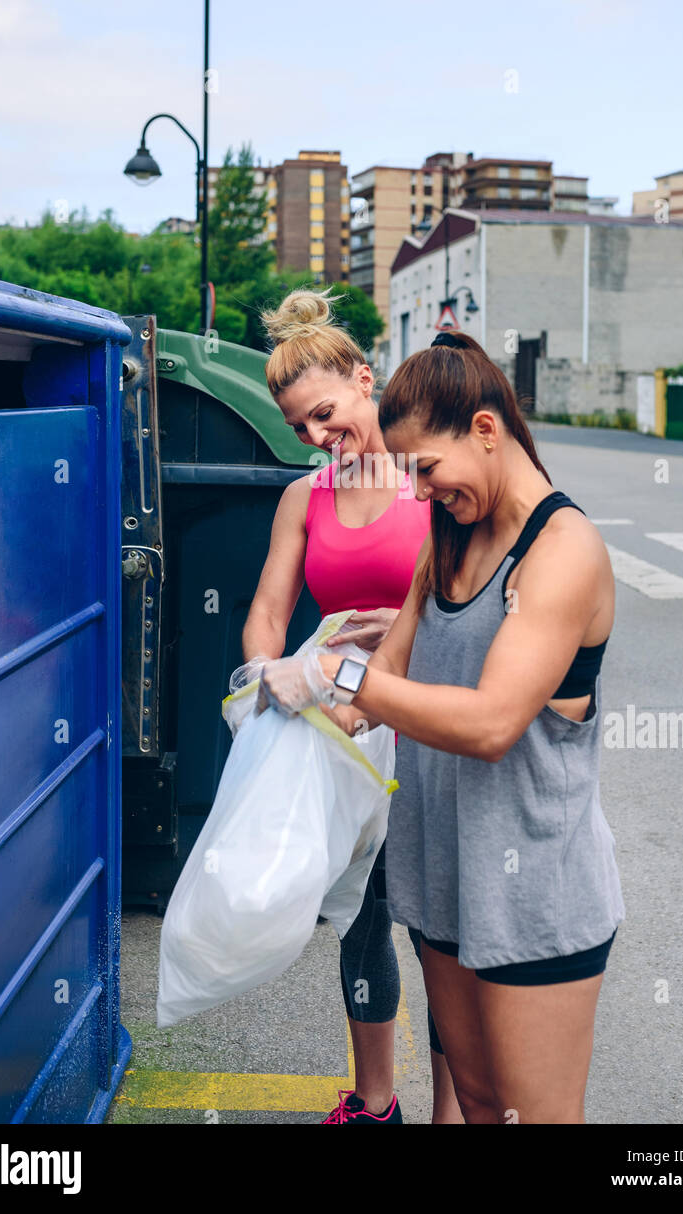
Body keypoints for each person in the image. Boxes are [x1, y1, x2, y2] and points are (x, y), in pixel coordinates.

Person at [259, 330, 626, 1125]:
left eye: (425, 468)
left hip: (536, 894)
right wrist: (281, 698)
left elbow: (493, 722)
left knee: (537, 1116)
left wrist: (339, 675)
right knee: (483, 1106)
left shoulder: (561, 550)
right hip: (449, 883)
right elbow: (378, 683)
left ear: (486, 431)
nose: (416, 492)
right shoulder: (449, 538)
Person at [241, 288, 462, 1125]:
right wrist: (267, 675)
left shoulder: (429, 481)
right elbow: (267, 611)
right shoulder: (306, 498)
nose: (316, 437)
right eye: (299, 427)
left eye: (325, 413)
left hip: (431, 721)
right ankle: (376, 1105)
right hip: (344, 732)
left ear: (366, 380)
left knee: (440, 929)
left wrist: (400, 629)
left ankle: (453, 1108)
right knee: (362, 921)